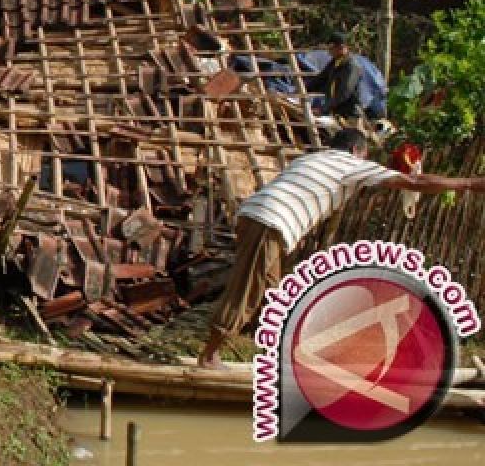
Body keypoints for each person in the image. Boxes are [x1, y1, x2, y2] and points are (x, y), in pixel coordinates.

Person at [198, 128, 485, 368]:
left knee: (272, 293)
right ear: (357, 151)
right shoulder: (350, 164)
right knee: (249, 289)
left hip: (254, 215)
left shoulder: (313, 159)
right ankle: (210, 354)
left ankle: (283, 358)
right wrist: (469, 184)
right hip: (271, 221)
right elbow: (414, 181)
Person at [305, 32, 363, 118]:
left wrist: (323, 109)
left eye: (331, 48)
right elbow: (319, 79)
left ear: (341, 47)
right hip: (335, 111)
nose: (329, 52)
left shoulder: (352, 67)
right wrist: (302, 89)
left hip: (349, 114)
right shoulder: (335, 62)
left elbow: (344, 93)